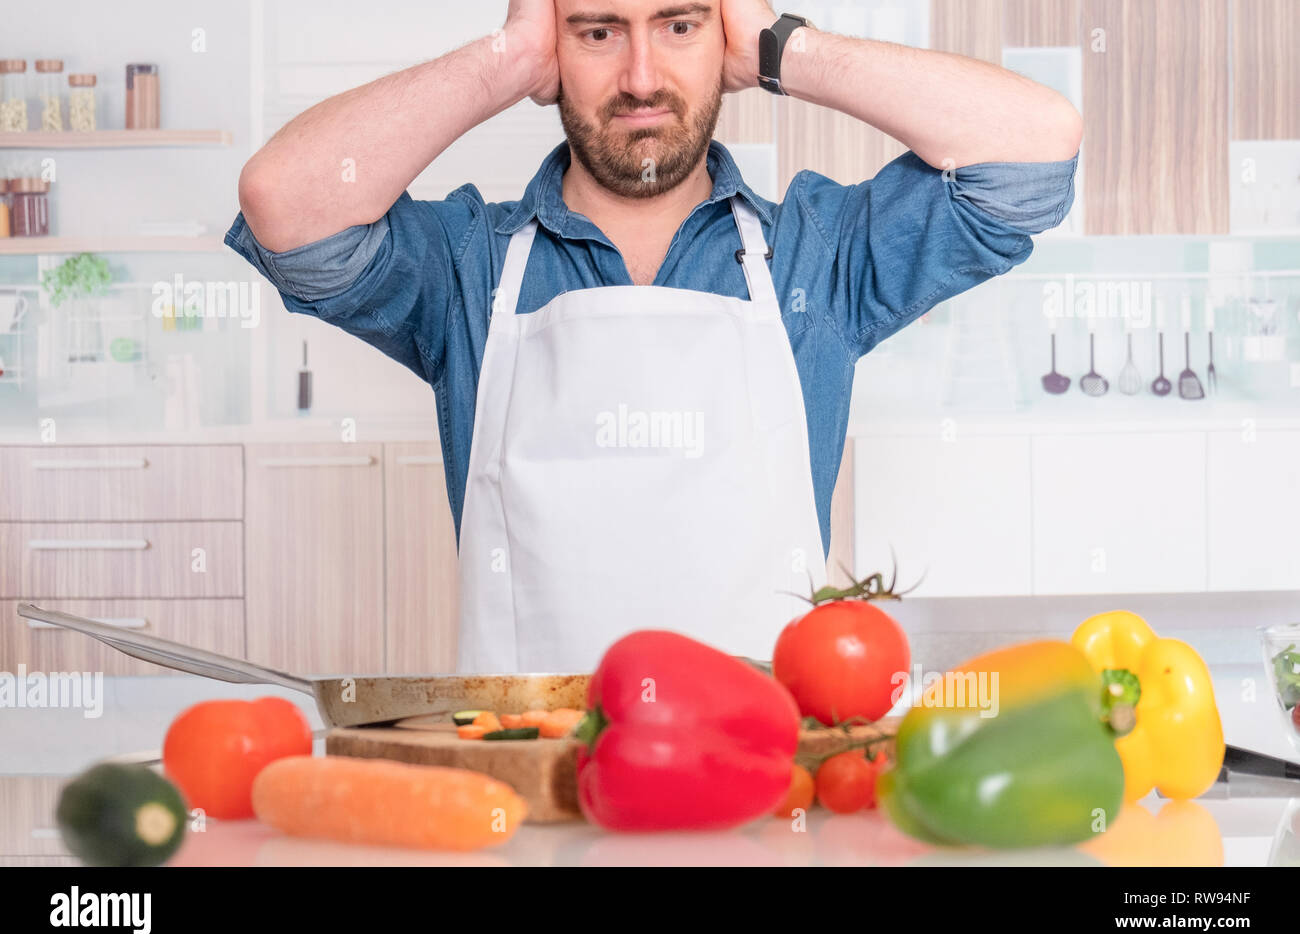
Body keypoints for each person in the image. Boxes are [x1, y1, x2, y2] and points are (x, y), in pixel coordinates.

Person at [227, 0, 1082, 673]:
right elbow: (286, 203)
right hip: (533, 787)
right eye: (598, 31)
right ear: (554, 48)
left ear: (724, 38)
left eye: (679, 24)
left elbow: (1034, 151)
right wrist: (509, 59)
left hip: (761, 789)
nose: (641, 78)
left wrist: (783, 47)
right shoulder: (467, 268)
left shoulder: (817, 258)